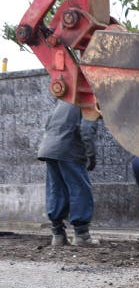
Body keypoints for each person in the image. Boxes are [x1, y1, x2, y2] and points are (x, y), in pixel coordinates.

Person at [37, 99, 99, 246]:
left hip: (49, 148)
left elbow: (48, 124)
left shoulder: (64, 100)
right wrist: (91, 155)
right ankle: (82, 236)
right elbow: (87, 129)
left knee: (57, 189)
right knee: (80, 190)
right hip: (69, 149)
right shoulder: (90, 98)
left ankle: (58, 235)